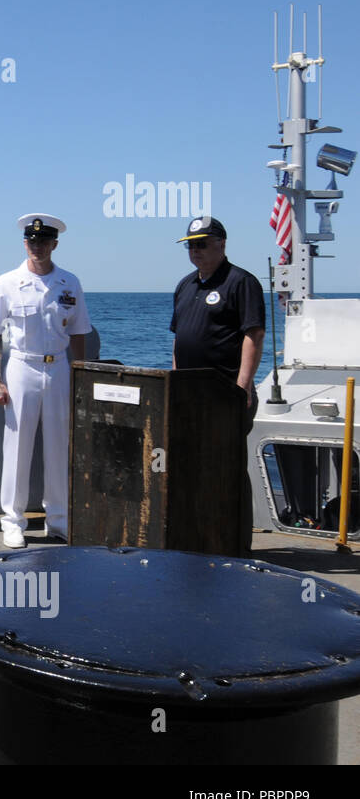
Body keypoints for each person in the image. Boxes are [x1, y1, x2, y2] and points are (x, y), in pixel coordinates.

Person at [0, 214, 91, 549]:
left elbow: (79, 333)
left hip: (58, 368)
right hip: (22, 368)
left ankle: (58, 520)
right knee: (16, 448)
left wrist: (80, 377)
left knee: (59, 447)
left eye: (43, 241)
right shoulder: (7, 282)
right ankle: (12, 522)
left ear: (54, 244)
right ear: (24, 243)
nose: (37, 246)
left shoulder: (69, 283)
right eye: (31, 241)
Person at [170, 215, 265, 552]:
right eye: (191, 245)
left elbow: (253, 334)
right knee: (193, 467)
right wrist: (175, 384)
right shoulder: (185, 285)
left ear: (221, 244)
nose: (195, 250)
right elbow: (179, 339)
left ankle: (236, 543)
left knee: (227, 469)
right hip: (189, 395)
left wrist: (242, 387)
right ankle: (199, 537)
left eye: (202, 243)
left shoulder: (241, 282)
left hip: (225, 392)